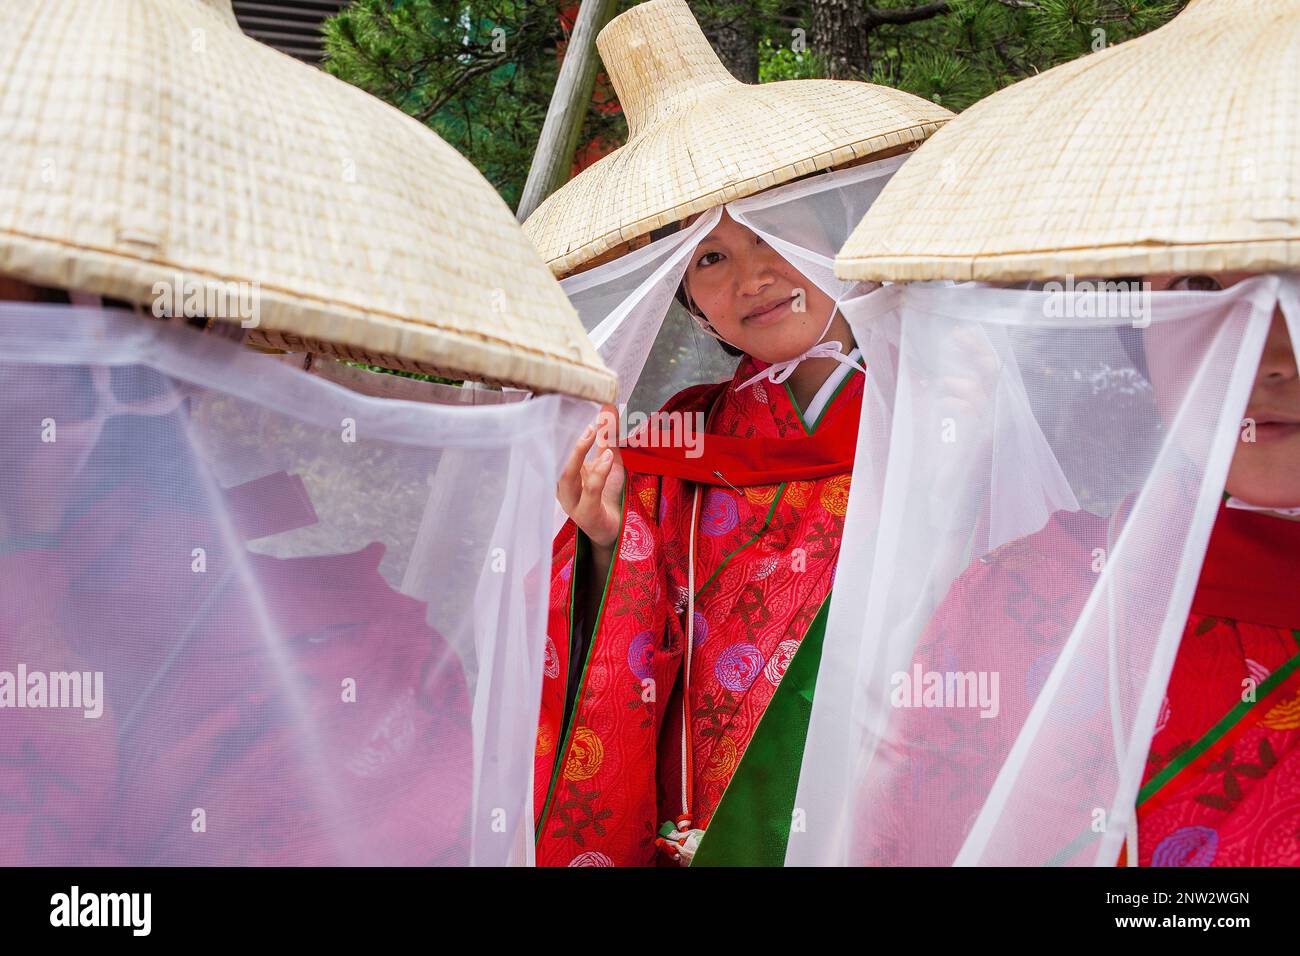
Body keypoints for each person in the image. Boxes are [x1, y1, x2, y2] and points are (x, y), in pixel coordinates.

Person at [523, 0, 951, 866]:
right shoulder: (678, 440)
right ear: (685, 298)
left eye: (773, 231)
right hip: (707, 835)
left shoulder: (937, 416)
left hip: (888, 818)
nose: (751, 275)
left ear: (835, 235)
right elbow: (631, 648)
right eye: (708, 259)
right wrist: (605, 543)